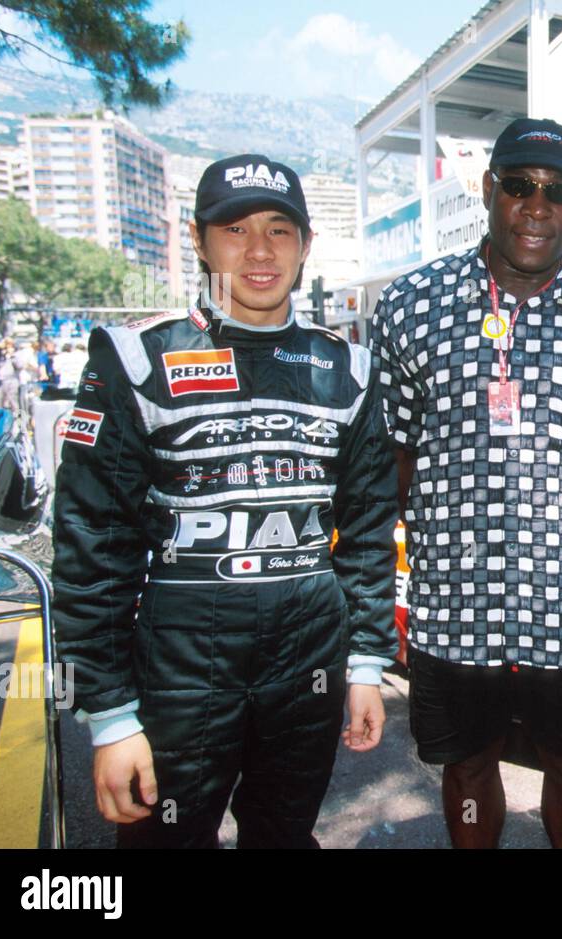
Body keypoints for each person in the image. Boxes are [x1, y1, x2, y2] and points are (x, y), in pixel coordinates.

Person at [51, 153, 398, 848]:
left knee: (282, 837)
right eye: (235, 229)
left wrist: (364, 666)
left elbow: (366, 534)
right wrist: (111, 717)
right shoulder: (137, 360)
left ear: (306, 244)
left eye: (280, 229)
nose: (260, 250)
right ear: (198, 239)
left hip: (308, 667)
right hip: (180, 667)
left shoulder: (348, 369)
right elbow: (92, 550)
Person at [372, 118, 562, 849]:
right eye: (520, 185)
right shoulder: (411, 306)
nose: (538, 206)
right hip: (454, 599)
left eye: (558, 192)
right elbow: (394, 456)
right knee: (467, 765)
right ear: (488, 189)